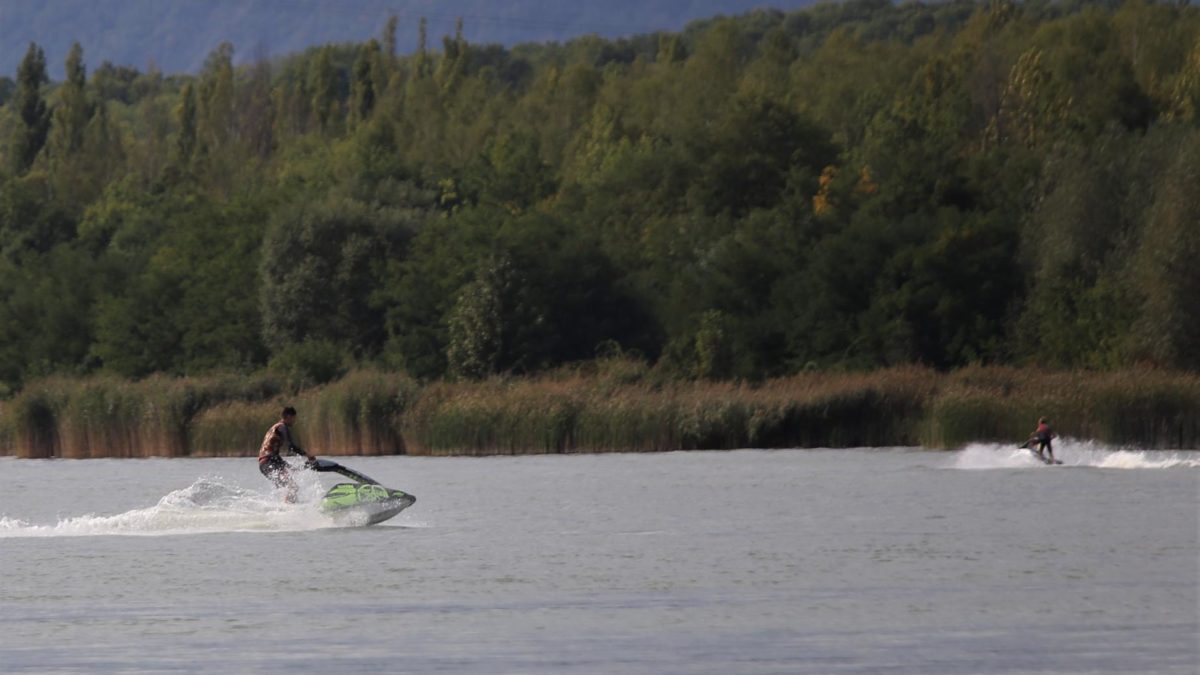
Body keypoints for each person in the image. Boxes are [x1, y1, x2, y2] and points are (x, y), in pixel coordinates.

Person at [259, 406, 317, 502]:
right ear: (289, 416)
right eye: (294, 418)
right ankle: (287, 508)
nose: (294, 421)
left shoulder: (275, 427)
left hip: (268, 463)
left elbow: (273, 455)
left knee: (291, 486)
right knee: (292, 487)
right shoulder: (282, 427)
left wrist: (290, 467)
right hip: (268, 463)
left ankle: (290, 506)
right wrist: (308, 455)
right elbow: (291, 447)